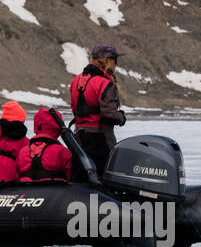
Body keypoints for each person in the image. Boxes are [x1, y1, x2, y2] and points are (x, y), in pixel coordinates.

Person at [68, 43, 126, 173]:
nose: (116, 65)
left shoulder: (76, 80)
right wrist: (121, 117)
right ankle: (95, 195)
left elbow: (74, 109)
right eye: (115, 61)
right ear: (107, 61)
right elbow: (109, 114)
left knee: (83, 176)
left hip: (79, 139)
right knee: (100, 179)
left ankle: (84, 194)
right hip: (100, 141)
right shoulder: (105, 83)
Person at [16, 107, 74, 182]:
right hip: (55, 191)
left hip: (26, 191)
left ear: (37, 124)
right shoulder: (62, 151)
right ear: (57, 126)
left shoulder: (22, 152)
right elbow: (72, 178)